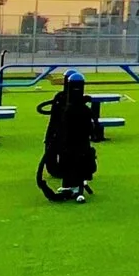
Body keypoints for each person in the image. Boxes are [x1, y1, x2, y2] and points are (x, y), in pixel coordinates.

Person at [37, 70, 99, 203]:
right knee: (67, 154)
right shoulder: (66, 106)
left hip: (80, 142)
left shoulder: (82, 110)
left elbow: (91, 128)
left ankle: (77, 185)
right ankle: (68, 184)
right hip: (68, 141)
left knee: (78, 154)